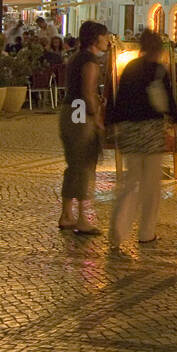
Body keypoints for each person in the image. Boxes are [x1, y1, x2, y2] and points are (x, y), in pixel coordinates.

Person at [107, 29, 177, 248]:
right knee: (151, 186)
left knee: (129, 184)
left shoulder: (129, 68)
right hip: (152, 130)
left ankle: (117, 234)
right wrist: (175, 127)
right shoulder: (159, 70)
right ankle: (146, 232)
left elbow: (117, 101)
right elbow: (170, 103)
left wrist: (114, 126)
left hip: (130, 131)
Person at [58, 21, 110, 234]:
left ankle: (66, 214)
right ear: (96, 38)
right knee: (85, 164)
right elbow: (88, 92)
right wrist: (97, 117)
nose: (108, 40)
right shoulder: (90, 61)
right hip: (80, 115)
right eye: (105, 36)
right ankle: (81, 218)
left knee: (74, 164)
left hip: (69, 111)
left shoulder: (75, 58)